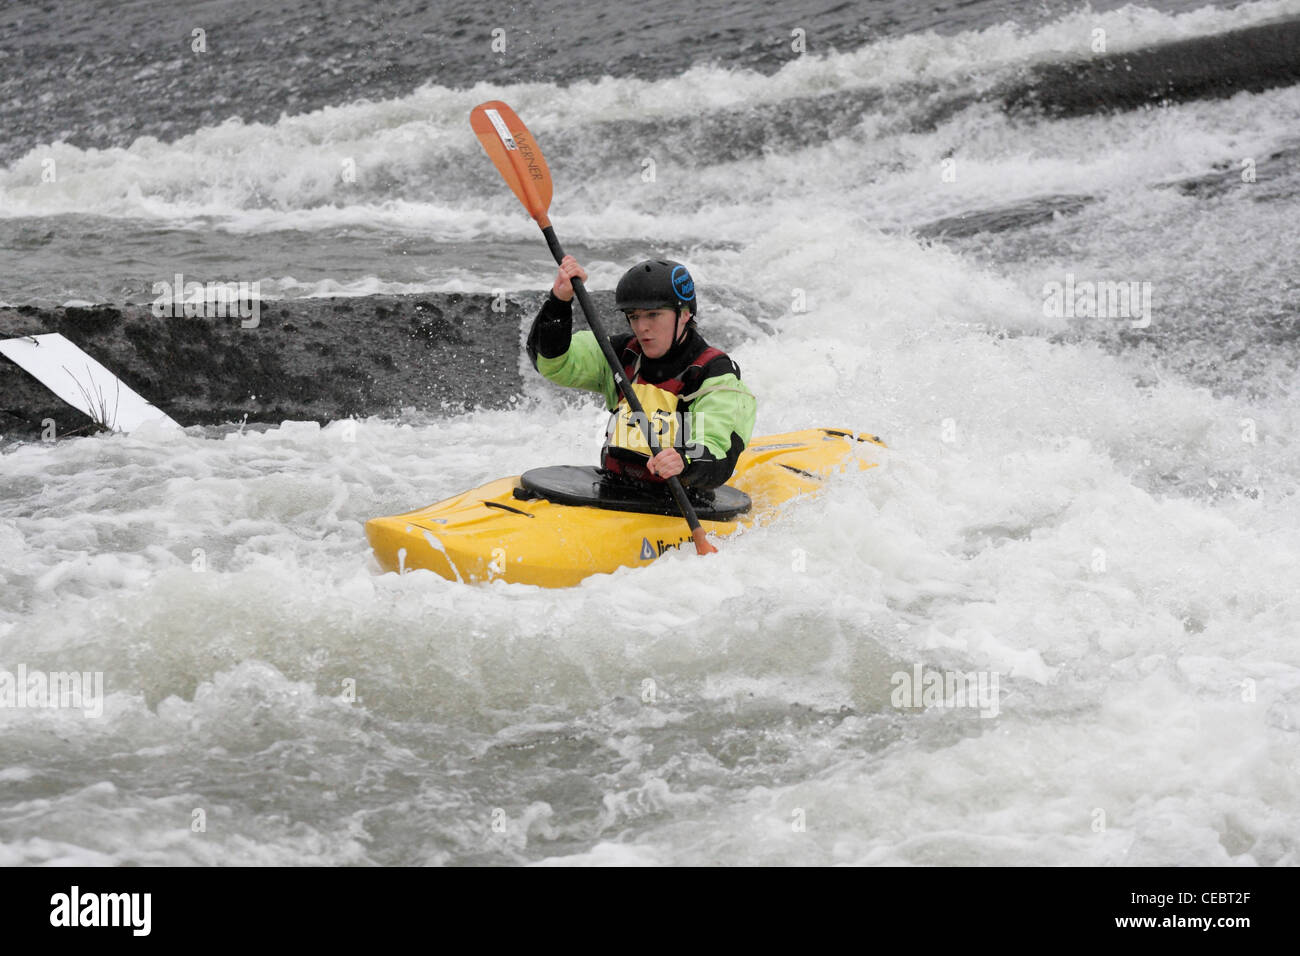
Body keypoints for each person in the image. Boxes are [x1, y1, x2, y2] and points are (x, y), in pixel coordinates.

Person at [526, 256, 756, 491]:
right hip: (615, 489)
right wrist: (559, 302)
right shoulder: (620, 355)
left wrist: (685, 461)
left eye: (653, 315)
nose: (641, 327)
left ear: (685, 314)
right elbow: (552, 364)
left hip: (680, 502)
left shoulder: (714, 375)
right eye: (634, 316)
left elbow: (718, 450)